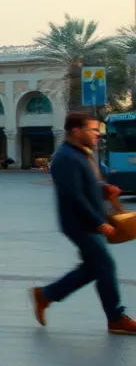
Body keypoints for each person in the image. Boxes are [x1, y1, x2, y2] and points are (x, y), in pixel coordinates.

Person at [31, 113, 136, 334]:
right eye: (93, 130)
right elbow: (74, 195)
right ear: (77, 131)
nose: (98, 135)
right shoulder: (65, 158)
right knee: (105, 265)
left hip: (87, 222)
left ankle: (46, 295)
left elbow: (86, 184)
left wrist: (104, 188)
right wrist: (99, 223)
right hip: (80, 224)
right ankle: (115, 318)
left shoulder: (79, 154)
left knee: (93, 268)